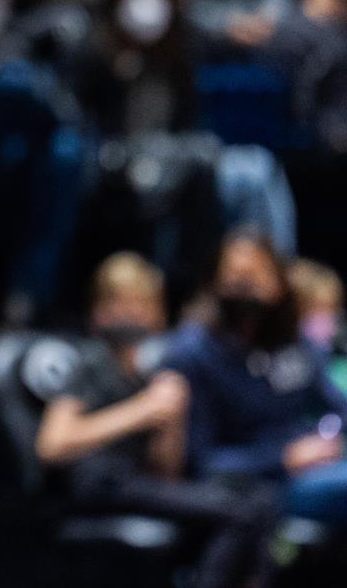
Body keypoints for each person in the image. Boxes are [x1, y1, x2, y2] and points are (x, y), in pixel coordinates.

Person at [33, 253, 275, 588]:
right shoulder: (88, 361)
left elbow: (166, 470)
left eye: (140, 303)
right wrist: (143, 410)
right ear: (98, 308)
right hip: (96, 484)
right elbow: (52, 444)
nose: (129, 313)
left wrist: (172, 417)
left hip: (136, 482)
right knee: (240, 513)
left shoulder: (148, 373)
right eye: (117, 302)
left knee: (259, 502)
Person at [166, 231, 347, 524]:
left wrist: (325, 437)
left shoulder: (294, 344)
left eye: (253, 278)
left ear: (278, 285)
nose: (244, 289)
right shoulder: (193, 353)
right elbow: (199, 462)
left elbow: (338, 409)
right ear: (213, 284)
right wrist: (283, 458)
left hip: (315, 465)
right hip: (254, 485)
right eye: (235, 279)